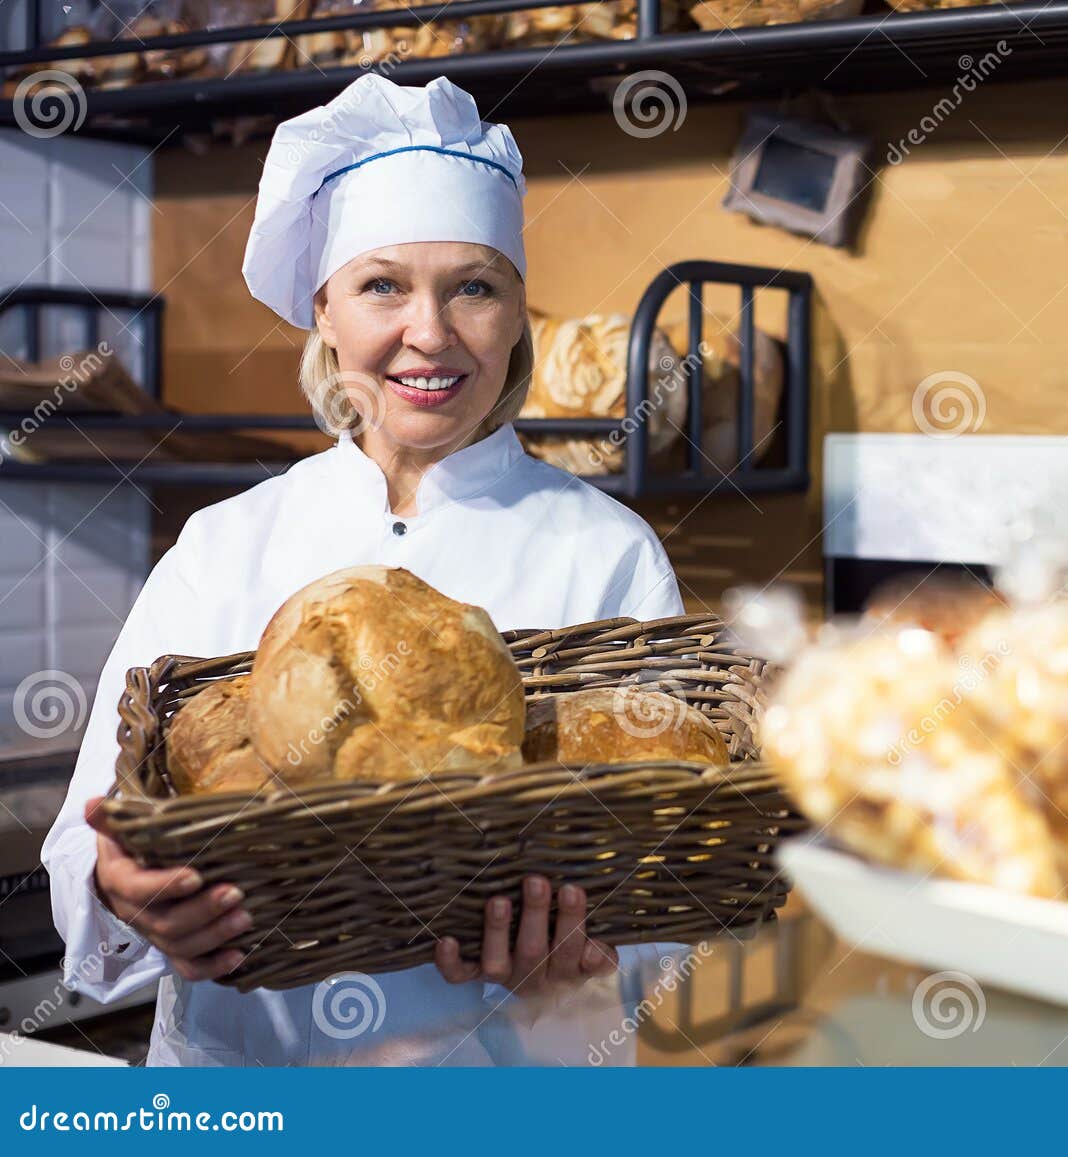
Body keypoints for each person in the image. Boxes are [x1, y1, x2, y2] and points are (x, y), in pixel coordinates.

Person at [40, 73, 686, 1066]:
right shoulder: (226, 544)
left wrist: (588, 964)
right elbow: (93, 833)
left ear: (518, 314)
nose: (428, 332)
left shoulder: (604, 553)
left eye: (474, 285)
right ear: (326, 312)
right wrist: (125, 894)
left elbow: (667, 881)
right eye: (383, 284)